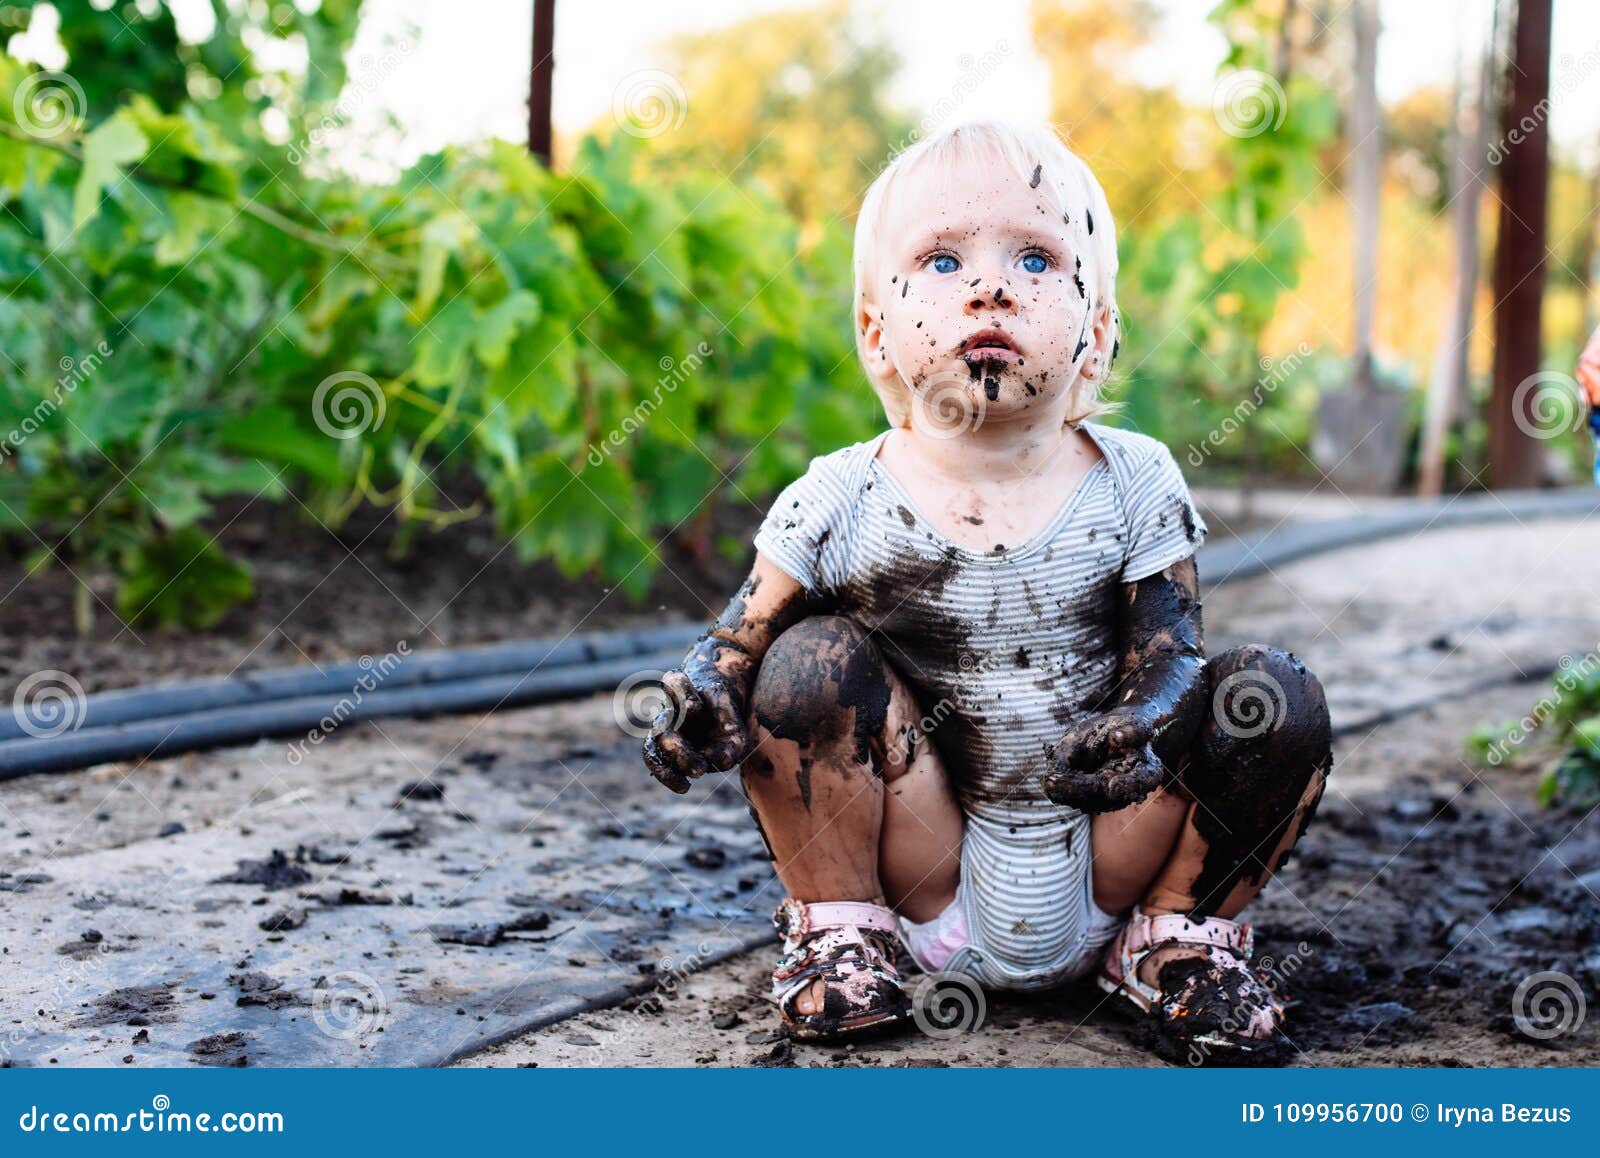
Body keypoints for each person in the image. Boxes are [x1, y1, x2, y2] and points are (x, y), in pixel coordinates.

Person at [641, 121, 1331, 1064]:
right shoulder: (842, 495)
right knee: (805, 662)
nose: (991, 283)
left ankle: (1177, 937)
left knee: (1272, 697)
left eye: (1039, 257)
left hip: (1110, 850)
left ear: (1098, 335)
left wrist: (1148, 718)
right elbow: (738, 638)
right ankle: (843, 927)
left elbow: (1172, 651)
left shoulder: (1134, 478)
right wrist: (706, 698)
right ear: (876, 334)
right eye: (941, 258)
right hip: (925, 854)